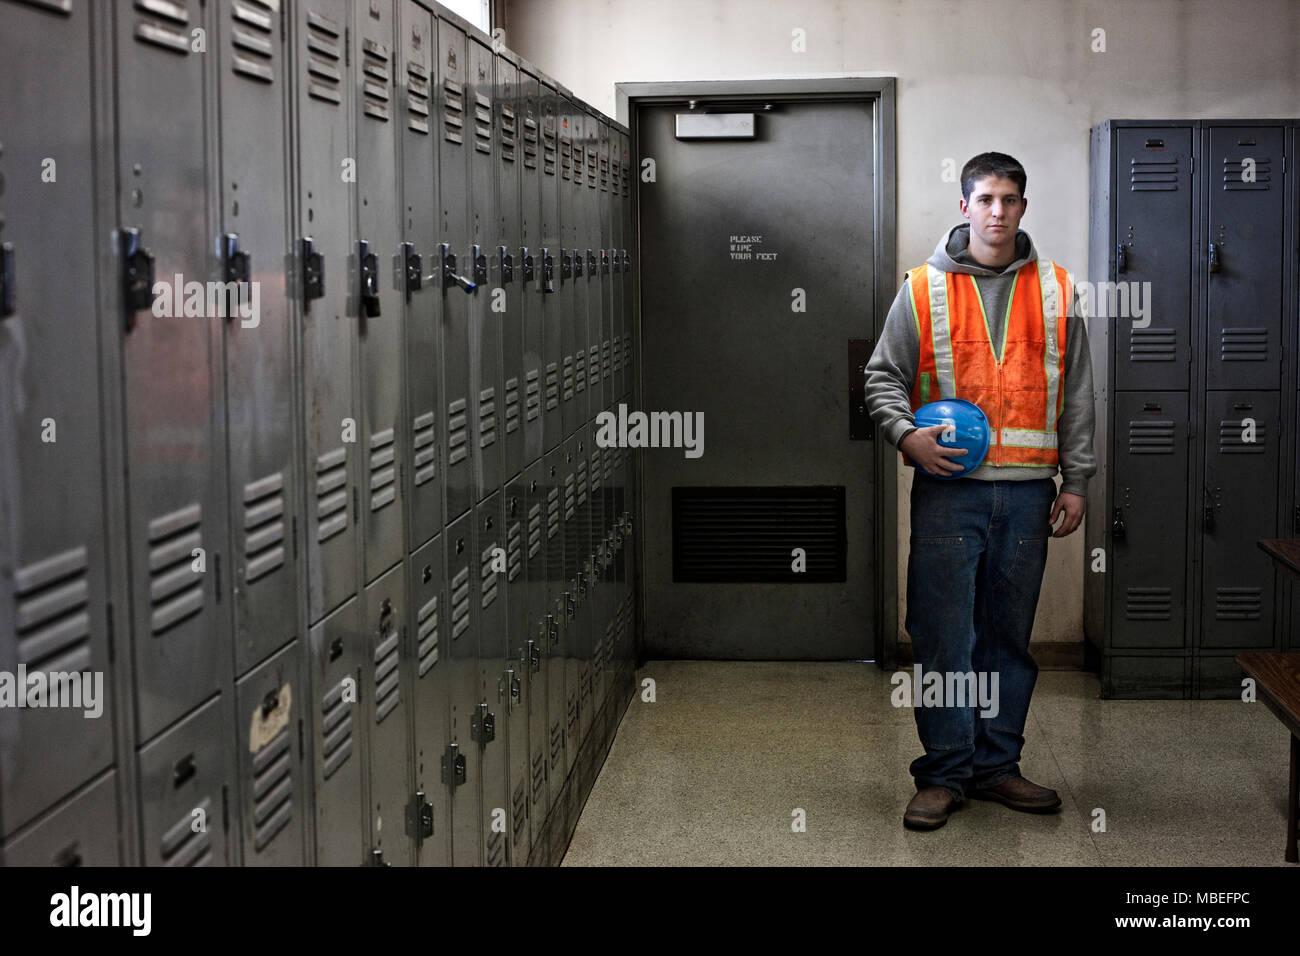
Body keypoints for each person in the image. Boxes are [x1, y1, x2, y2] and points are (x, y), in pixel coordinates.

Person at [864, 152, 1097, 830]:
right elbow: (882, 377)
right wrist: (906, 436)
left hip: (1028, 496)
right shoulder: (921, 288)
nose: (998, 211)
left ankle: (997, 767)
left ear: (1023, 207)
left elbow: (1077, 395)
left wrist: (1076, 480)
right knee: (943, 637)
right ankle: (942, 773)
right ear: (964, 206)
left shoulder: (1056, 289)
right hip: (948, 495)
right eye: (986, 199)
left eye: (1010, 199)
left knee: (1006, 639)